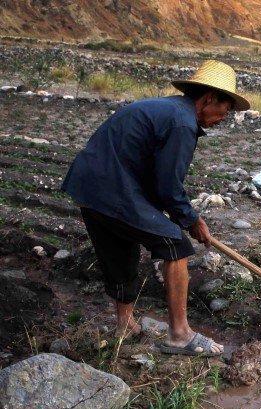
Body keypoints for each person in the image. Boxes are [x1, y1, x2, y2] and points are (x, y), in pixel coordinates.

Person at [61, 60, 251, 356]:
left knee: (120, 247)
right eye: (224, 112)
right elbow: (168, 185)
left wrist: (165, 211)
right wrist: (191, 220)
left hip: (89, 186)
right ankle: (180, 334)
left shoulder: (169, 109)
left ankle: (125, 325)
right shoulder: (182, 124)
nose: (222, 119)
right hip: (111, 188)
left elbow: (150, 172)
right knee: (174, 244)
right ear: (210, 98)